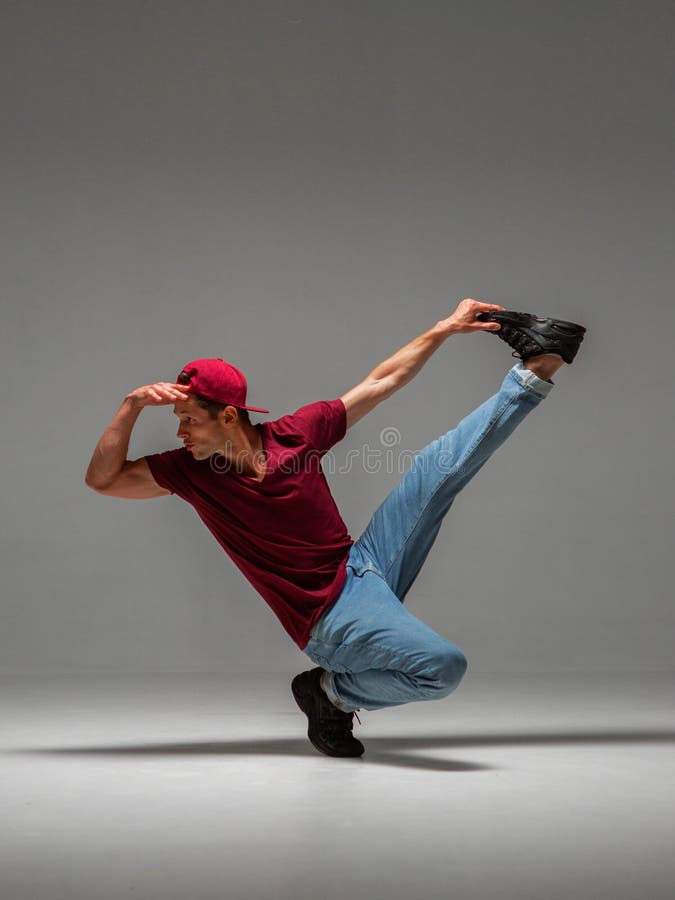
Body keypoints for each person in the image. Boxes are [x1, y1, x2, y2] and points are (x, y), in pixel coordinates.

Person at [85, 299, 586, 758]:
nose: (179, 432)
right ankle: (329, 693)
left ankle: (536, 370)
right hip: (326, 615)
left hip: (362, 565)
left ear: (230, 416)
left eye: (189, 419)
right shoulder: (190, 473)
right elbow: (103, 479)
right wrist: (130, 405)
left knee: (436, 470)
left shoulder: (294, 435)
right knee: (442, 669)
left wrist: (445, 329)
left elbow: (381, 381)